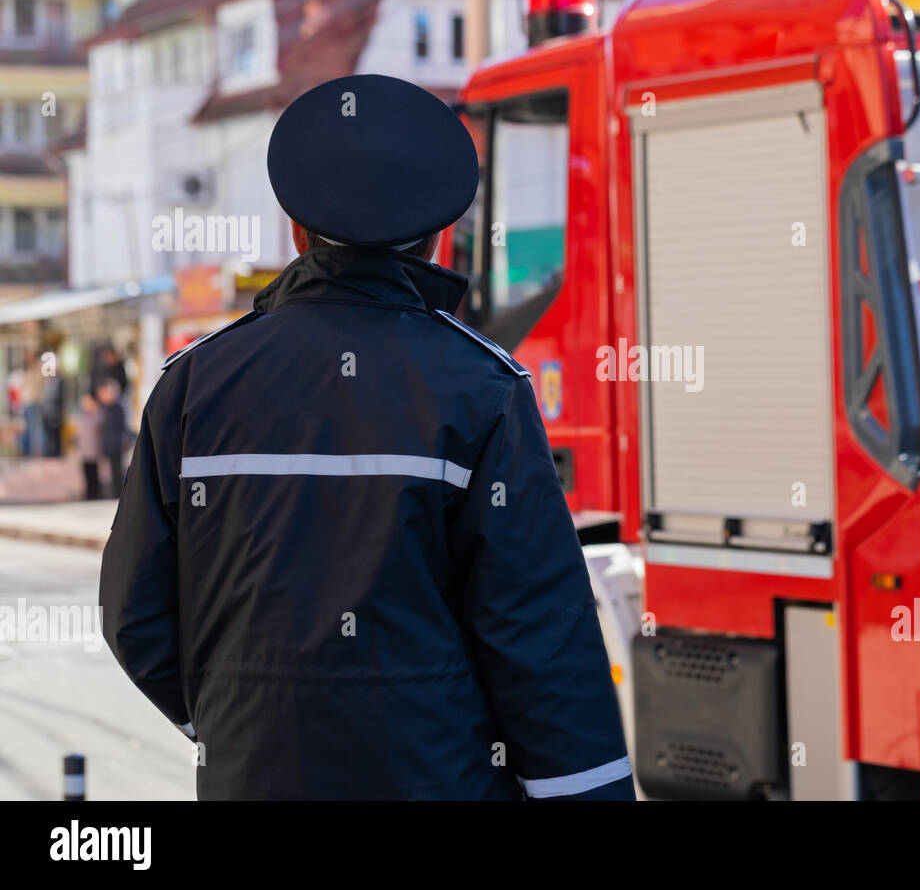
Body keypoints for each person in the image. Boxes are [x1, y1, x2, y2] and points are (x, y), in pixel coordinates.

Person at [99, 74, 633, 800]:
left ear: (295, 231)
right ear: (439, 239)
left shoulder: (193, 387)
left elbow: (136, 614)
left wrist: (234, 720)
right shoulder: (482, 389)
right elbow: (539, 635)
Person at [95, 380, 126, 497]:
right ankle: (114, 492)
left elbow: (121, 427)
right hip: (109, 443)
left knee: (118, 470)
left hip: (116, 444)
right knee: (111, 471)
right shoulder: (105, 408)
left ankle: (119, 492)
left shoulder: (118, 408)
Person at [78, 394, 103, 500]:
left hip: (94, 451)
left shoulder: (98, 416)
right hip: (84, 452)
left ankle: (95, 495)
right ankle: (88, 494)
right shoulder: (83, 417)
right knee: (87, 475)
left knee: (94, 475)